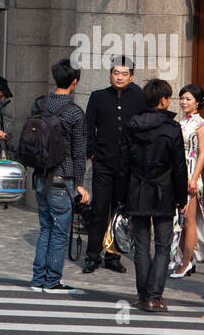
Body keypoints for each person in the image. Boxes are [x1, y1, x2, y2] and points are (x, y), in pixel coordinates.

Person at [122, 79, 188, 312]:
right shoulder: (171, 129)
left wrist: (121, 197)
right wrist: (183, 200)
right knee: (162, 246)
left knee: (141, 246)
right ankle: (153, 296)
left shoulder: (132, 125)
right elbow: (180, 168)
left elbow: (124, 163)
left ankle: (143, 295)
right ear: (163, 100)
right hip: (164, 191)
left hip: (137, 189)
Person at [28, 58, 90, 294]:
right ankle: (52, 281)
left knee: (46, 227)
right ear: (74, 82)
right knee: (60, 230)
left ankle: (37, 279)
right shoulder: (74, 113)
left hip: (40, 176)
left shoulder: (40, 104)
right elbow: (78, 151)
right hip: (62, 179)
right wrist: (81, 185)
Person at [83, 56, 146, 274]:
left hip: (128, 165)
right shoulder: (98, 97)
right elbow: (88, 127)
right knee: (99, 209)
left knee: (121, 212)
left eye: (124, 73)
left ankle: (113, 255)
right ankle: (92, 255)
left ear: (131, 76)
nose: (119, 77)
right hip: (103, 162)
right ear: (110, 74)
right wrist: (92, 152)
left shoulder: (139, 98)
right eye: (116, 73)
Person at [170, 84, 204, 277]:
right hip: (179, 174)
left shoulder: (201, 125)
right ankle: (183, 258)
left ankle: (186, 262)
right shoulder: (182, 122)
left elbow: (203, 154)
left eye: (188, 99)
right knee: (180, 219)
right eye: (182, 98)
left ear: (198, 102)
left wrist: (195, 177)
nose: (184, 102)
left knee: (189, 220)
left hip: (191, 174)